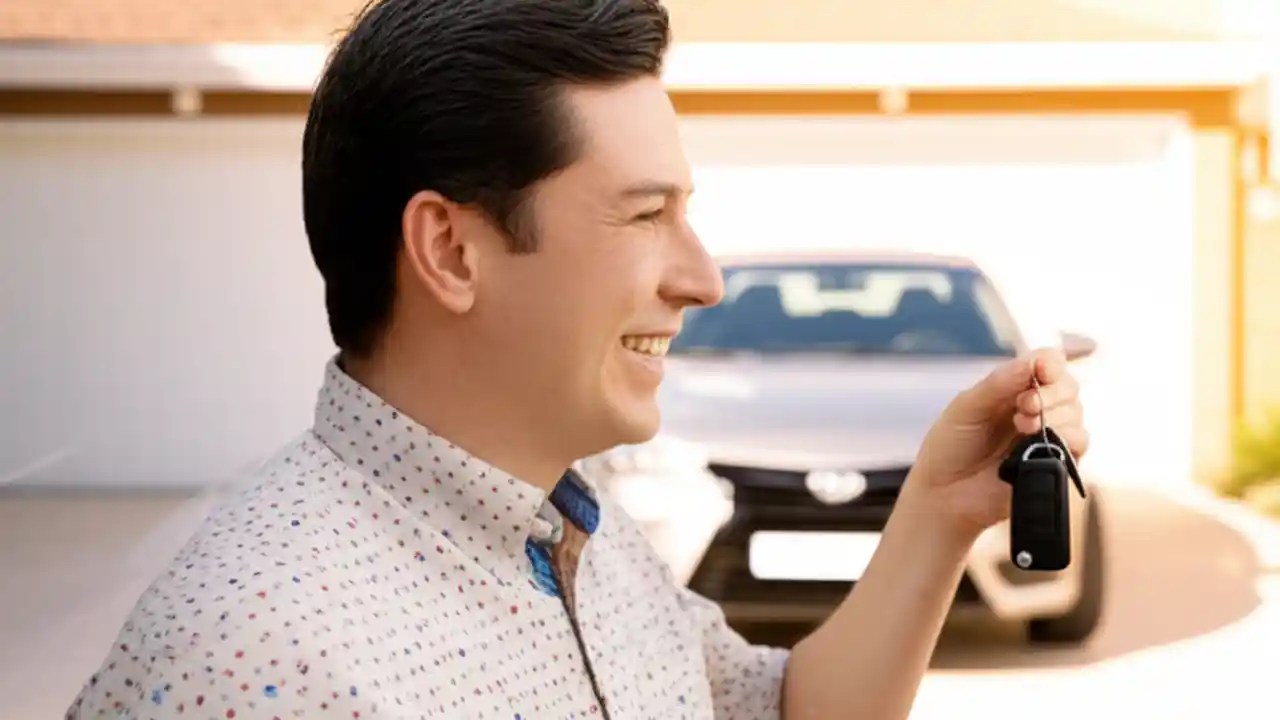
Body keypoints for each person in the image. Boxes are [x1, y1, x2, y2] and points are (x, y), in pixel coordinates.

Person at [66, 1, 1089, 718]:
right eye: (646, 215)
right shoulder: (261, 663)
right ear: (450, 251)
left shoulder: (566, 522)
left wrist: (941, 508)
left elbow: (782, 712)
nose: (703, 279)